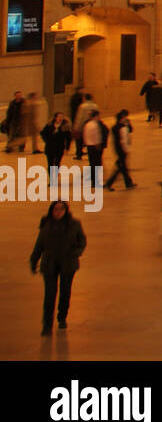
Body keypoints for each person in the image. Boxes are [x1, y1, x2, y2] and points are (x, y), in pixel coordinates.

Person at [29, 201, 86, 335]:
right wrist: (33, 260)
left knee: (65, 292)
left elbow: (82, 242)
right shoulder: (46, 224)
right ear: (51, 211)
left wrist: (74, 253)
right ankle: (47, 325)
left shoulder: (74, 224)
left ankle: (62, 317)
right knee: (49, 295)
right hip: (49, 264)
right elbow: (39, 244)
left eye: (61, 209)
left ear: (66, 211)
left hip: (68, 264)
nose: (58, 212)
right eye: (56, 209)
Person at [104, 109, 135, 191]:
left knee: (122, 167)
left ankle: (128, 183)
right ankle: (109, 183)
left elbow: (130, 130)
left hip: (117, 148)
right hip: (122, 149)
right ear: (122, 118)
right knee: (121, 167)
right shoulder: (121, 128)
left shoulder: (115, 127)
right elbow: (123, 140)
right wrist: (126, 149)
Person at [40, 113, 72, 188]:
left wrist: (67, 148)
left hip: (59, 148)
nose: (61, 118)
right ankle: (51, 180)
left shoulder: (65, 127)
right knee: (50, 164)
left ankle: (55, 179)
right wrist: (46, 140)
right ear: (55, 118)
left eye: (62, 117)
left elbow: (68, 138)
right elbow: (42, 133)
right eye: (59, 117)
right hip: (49, 147)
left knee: (57, 163)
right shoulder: (49, 125)